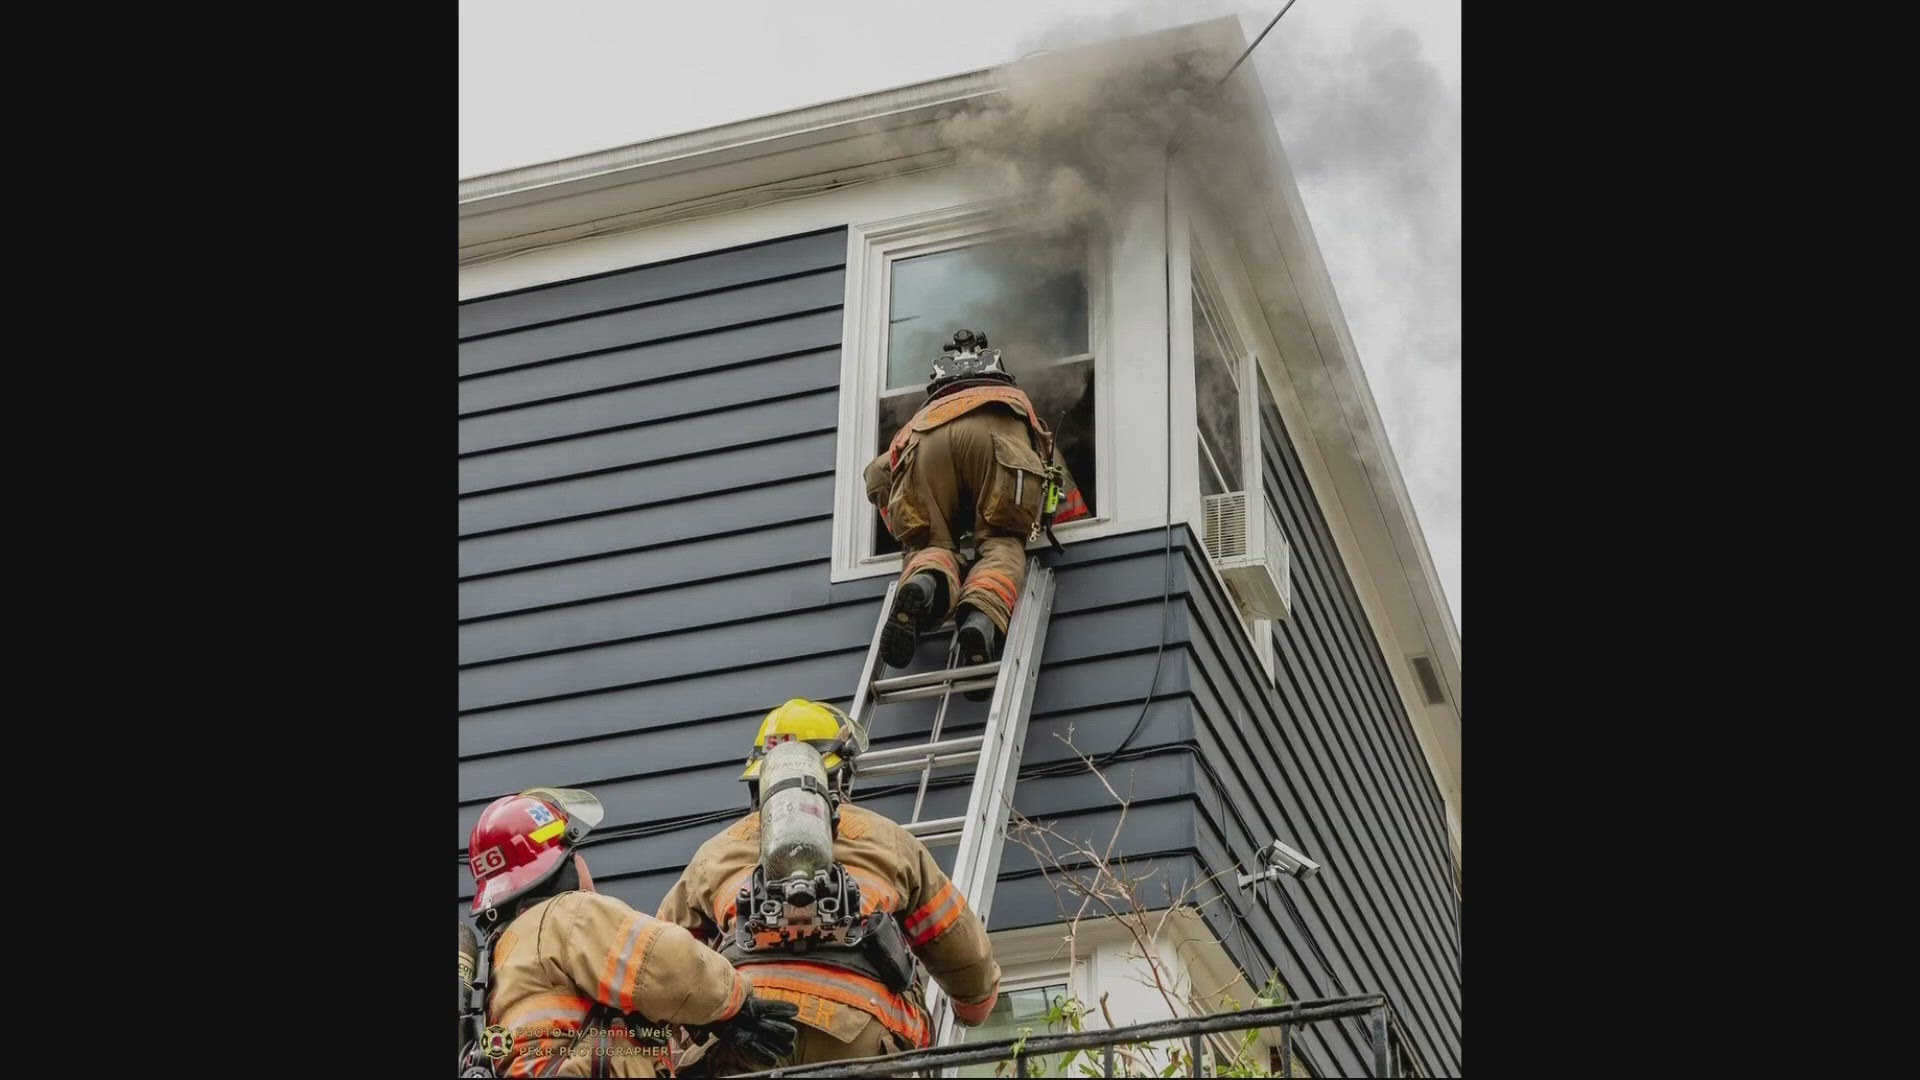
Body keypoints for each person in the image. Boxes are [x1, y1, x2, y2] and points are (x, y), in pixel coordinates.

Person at [656, 700, 1002, 1070]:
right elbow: (961, 951)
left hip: (750, 1033)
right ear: (841, 775)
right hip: (862, 1038)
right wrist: (974, 1007)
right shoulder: (889, 840)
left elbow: (661, 962)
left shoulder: (715, 852)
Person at [467, 787, 799, 1077]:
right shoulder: (567, 915)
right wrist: (737, 1004)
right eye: (575, 853)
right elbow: (664, 962)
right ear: (560, 864)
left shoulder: (501, 958)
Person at [864, 329, 1089, 670]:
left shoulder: (924, 415)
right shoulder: (1014, 409)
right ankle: (983, 615)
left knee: (931, 544)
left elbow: (878, 475)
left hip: (926, 446)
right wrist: (1071, 524)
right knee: (1001, 542)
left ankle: (926, 582)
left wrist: (905, 524)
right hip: (1000, 445)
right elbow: (1053, 474)